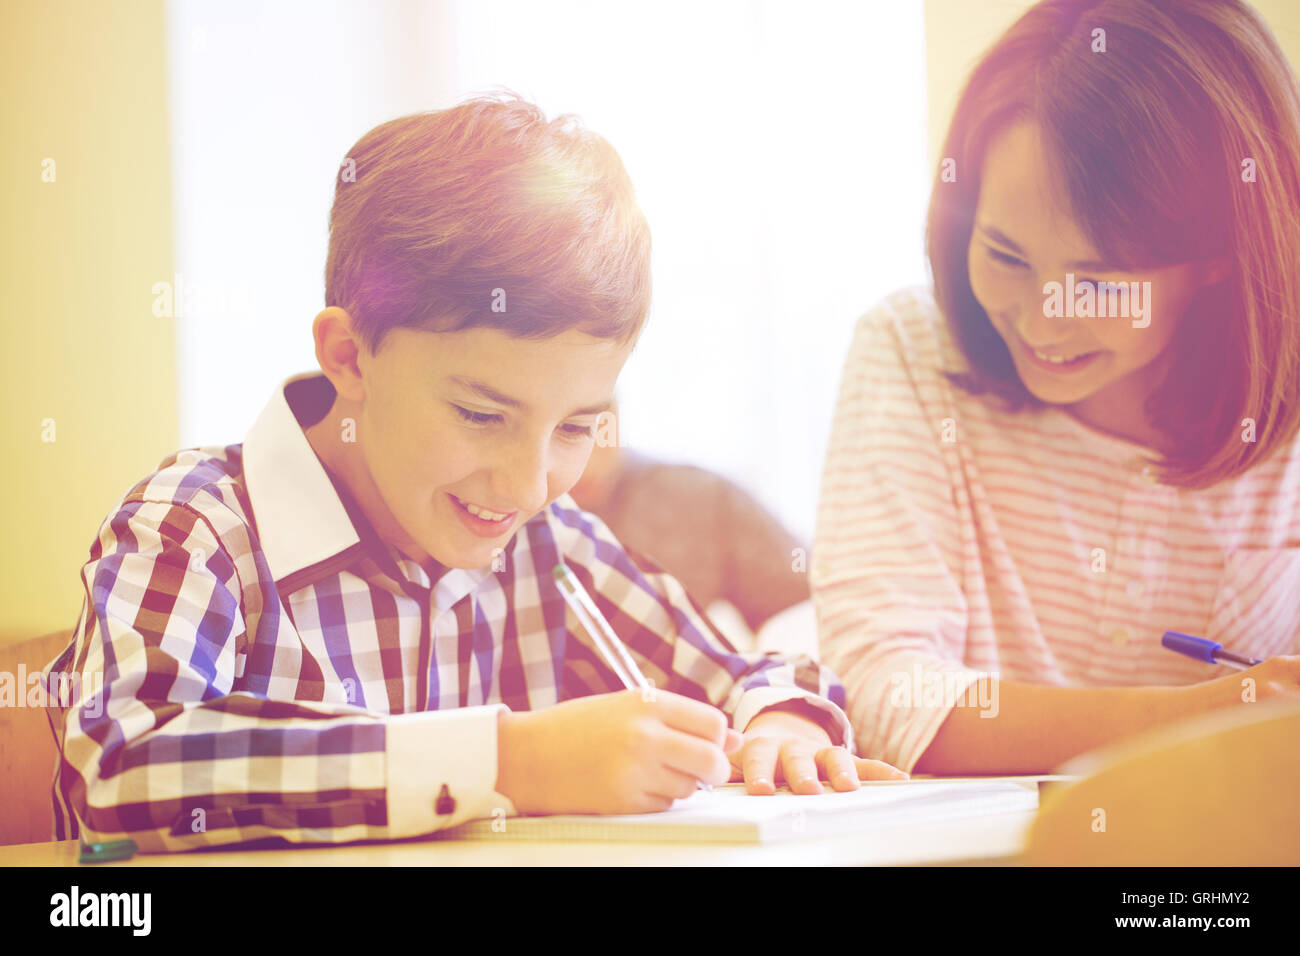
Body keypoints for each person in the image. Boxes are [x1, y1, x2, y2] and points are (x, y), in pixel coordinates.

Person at [43, 94, 904, 853]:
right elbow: (121, 770)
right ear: (350, 355)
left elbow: (750, 672)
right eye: (481, 415)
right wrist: (505, 760)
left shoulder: (542, 545)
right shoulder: (195, 526)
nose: (529, 485)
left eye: (576, 426)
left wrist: (781, 721)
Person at [814, 0, 1300, 776]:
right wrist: (1205, 716)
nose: (1041, 323)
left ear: (1222, 255)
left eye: (1098, 280)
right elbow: (883, 689)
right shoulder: (909, 350)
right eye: (1005, 256)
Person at [568, 401, 811, 641]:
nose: (587, 447)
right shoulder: (537, 526)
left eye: (593, 418)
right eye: (567, 428)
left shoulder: (701, 498)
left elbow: (807, 596)